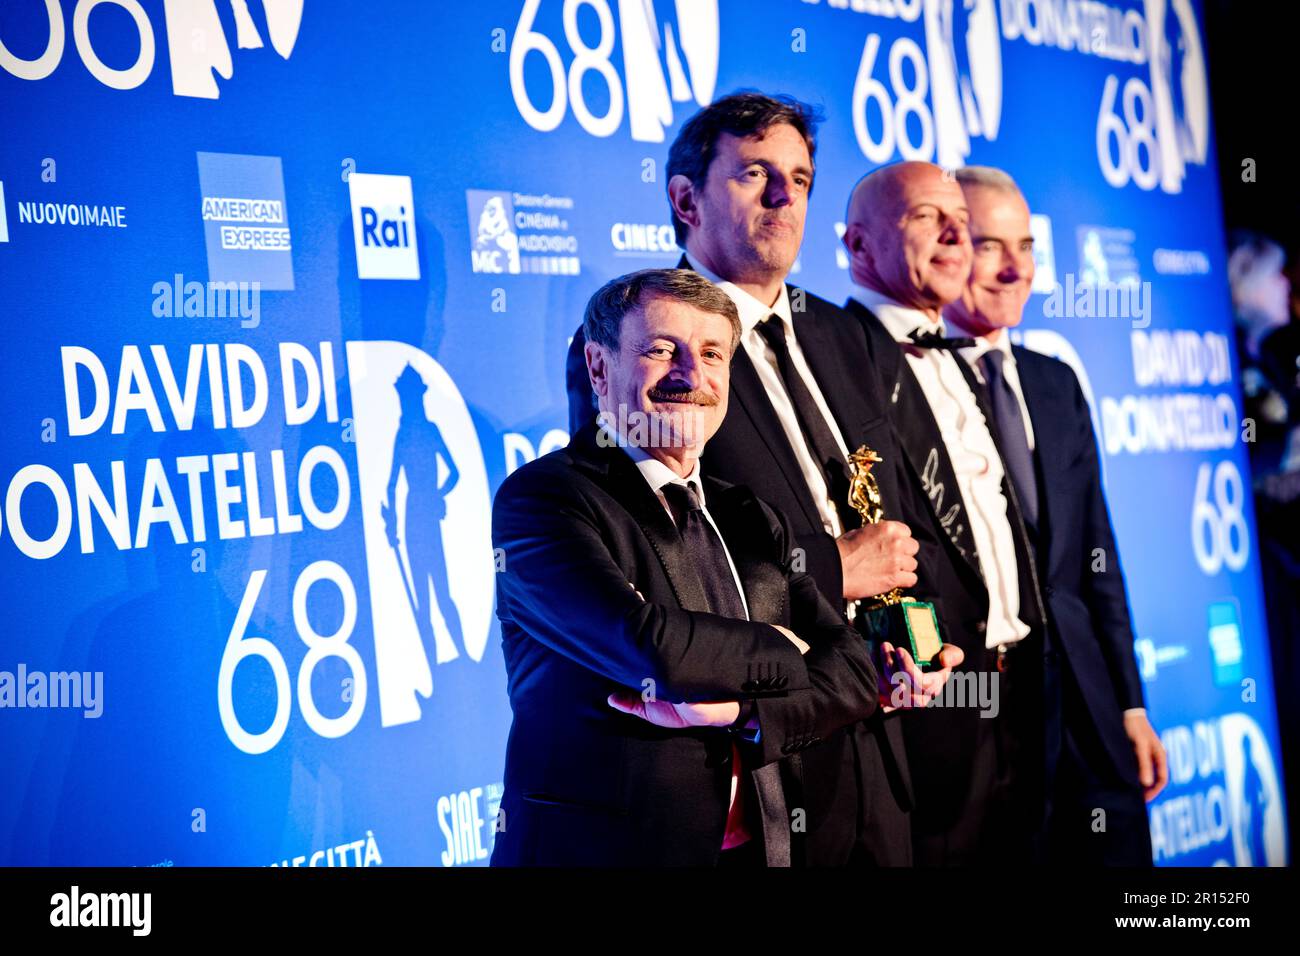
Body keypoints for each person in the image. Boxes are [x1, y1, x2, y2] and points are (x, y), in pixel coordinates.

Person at [567, 94, 960, 866]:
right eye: (755, 174)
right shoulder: (636, 344)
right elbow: (648, 541)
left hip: (883, 733)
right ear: (685, 200)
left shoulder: (844, 334)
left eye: (801, 178)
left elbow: (896, 512)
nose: (785, 197)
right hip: (761, 764)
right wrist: (828, 568)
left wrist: (922, 640)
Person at [492, 268, 912, 867]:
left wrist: (745, 710)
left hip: (765, 850)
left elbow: (848, 671)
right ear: (599, 366)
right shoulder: (545, 501)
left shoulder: (747, 513)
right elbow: (652, 651)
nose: (693, 376)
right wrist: (790, 645)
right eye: (662, 350)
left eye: (712, 353)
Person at [942, 165, 1166, 866]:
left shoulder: (1054, 379)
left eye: (1028, 247)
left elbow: (1098, 555)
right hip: (986, 722)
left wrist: (1129, 702)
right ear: (946, 249)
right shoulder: (905, 383)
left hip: (1090, 711)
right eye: (989, 246)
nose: (1015, 271)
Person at [841, 160, 1046, 865]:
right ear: (859, 246)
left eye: (962, 218)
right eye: (929, 217)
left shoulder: (964, 352)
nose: (959, 233)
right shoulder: (840, 351)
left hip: (1014, 693)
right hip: (931, 702)